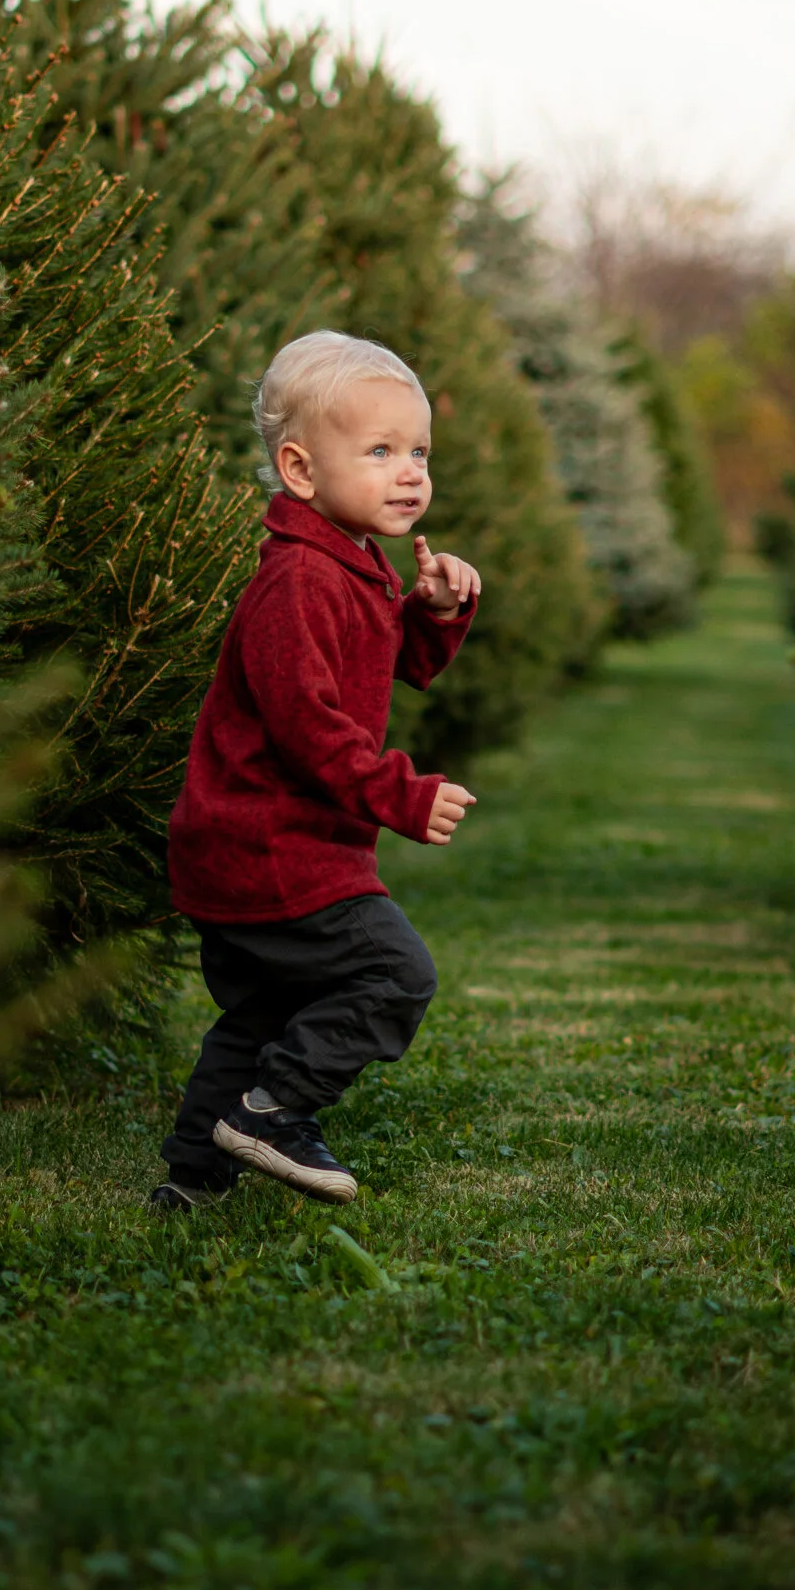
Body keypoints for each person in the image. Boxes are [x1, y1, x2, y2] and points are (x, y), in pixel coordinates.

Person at [152, 329, 482, 1211]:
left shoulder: (349, 564)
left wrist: (435, 615)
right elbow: (310, 728)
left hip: (251, 844)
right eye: (379, 452)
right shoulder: (299, 580)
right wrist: (399, 795)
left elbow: (388, 667)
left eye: (418, 451)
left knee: (261, 1011)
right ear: (299, 470)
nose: (410, 471)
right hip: (271, 846)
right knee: (394, 976)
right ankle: (274, 1110)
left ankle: (192, 1179)